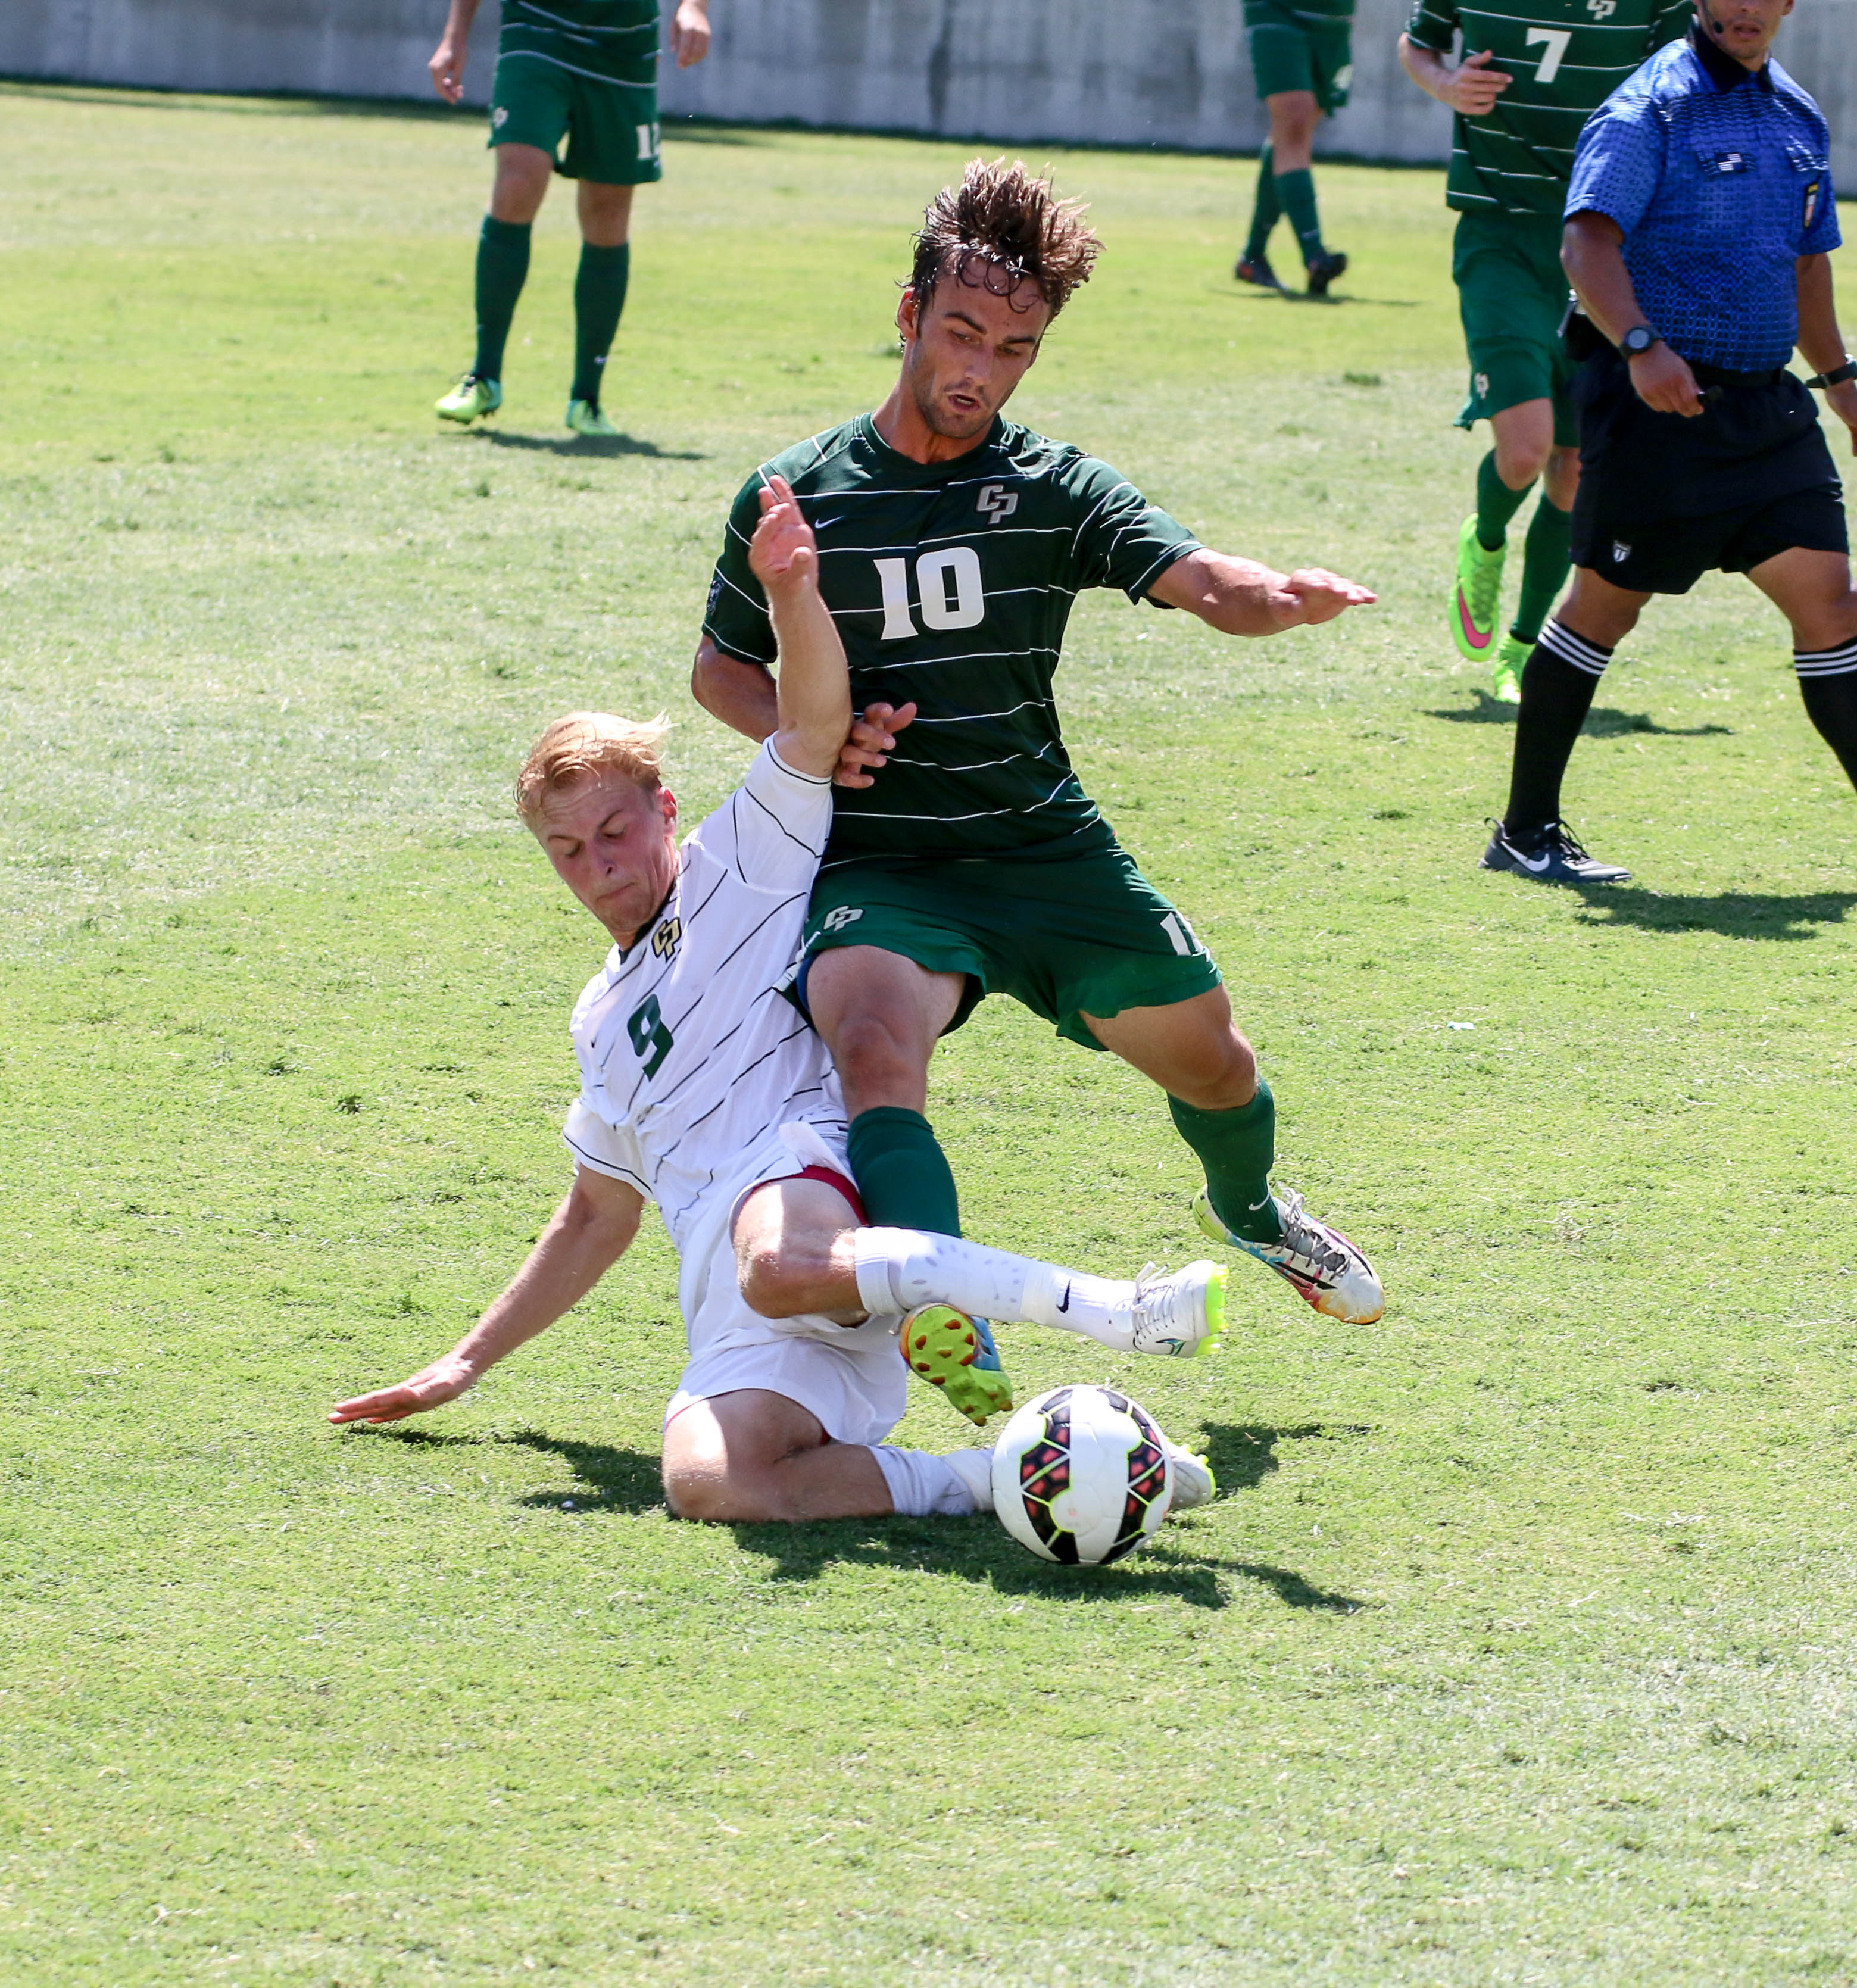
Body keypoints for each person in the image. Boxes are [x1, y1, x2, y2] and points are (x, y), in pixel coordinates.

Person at [333, 476, 1229, 1524]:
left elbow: (812, 725)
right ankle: (1038, 1475)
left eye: (614, 829)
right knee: (713, 1483)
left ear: (662, 809)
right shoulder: (597, 1016)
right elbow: (594, 1213)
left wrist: (792, 591)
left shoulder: (739, 860)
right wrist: (462, 1363)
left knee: (777, 1261)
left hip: (802, 1175)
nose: (597, 864)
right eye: (566, 848)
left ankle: (1125, 1309)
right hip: (735, 1289)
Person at [689, 161, 1386, 1396]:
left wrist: (1281, 599)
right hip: (881, 861)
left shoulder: (1054, 490)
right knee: (870, 1041)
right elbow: (719, 672)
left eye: (1014, 348)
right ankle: (948, 1304)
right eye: (961, 333)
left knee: (1219, 1065)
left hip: (1039, 848)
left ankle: (1254, 1209)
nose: (980, 369)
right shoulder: (800, 496)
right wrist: (810, 744)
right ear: (908, 317)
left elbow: (1205, 581)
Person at [1487, 0, 1857, 897]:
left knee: (1831, 599)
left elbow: (1806, 264)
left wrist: (1841, 382)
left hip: (1767, 409)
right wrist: (1641, 348)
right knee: (1602, 608)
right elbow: (1586, 242)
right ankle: (1525, 831)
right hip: (1656, 404)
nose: (1746, 8)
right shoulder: (1651, 106)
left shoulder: (1798, 115)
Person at [1403, 0, 1693, 706]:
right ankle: (1487, 542)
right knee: (1526, 452)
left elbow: (1684, 79)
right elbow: (1419, 46)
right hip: (1501, 234)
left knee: (1572, 474)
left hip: (1603, 238)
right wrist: (1442, 83)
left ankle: (1523, 649)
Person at [425, 0, 712, 438]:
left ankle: (587, 399)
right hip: (535, 31)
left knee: (608, 212)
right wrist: (454, 37)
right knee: (518, 183)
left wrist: (693, 7)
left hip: (623, 46)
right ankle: (483, 378)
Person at [1237, 0, 1356, 297]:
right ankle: (1315, 255)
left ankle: (1252, 259)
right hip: (1277, 10)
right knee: (1294, 120)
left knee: (1294, 131)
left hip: (1333, 18)